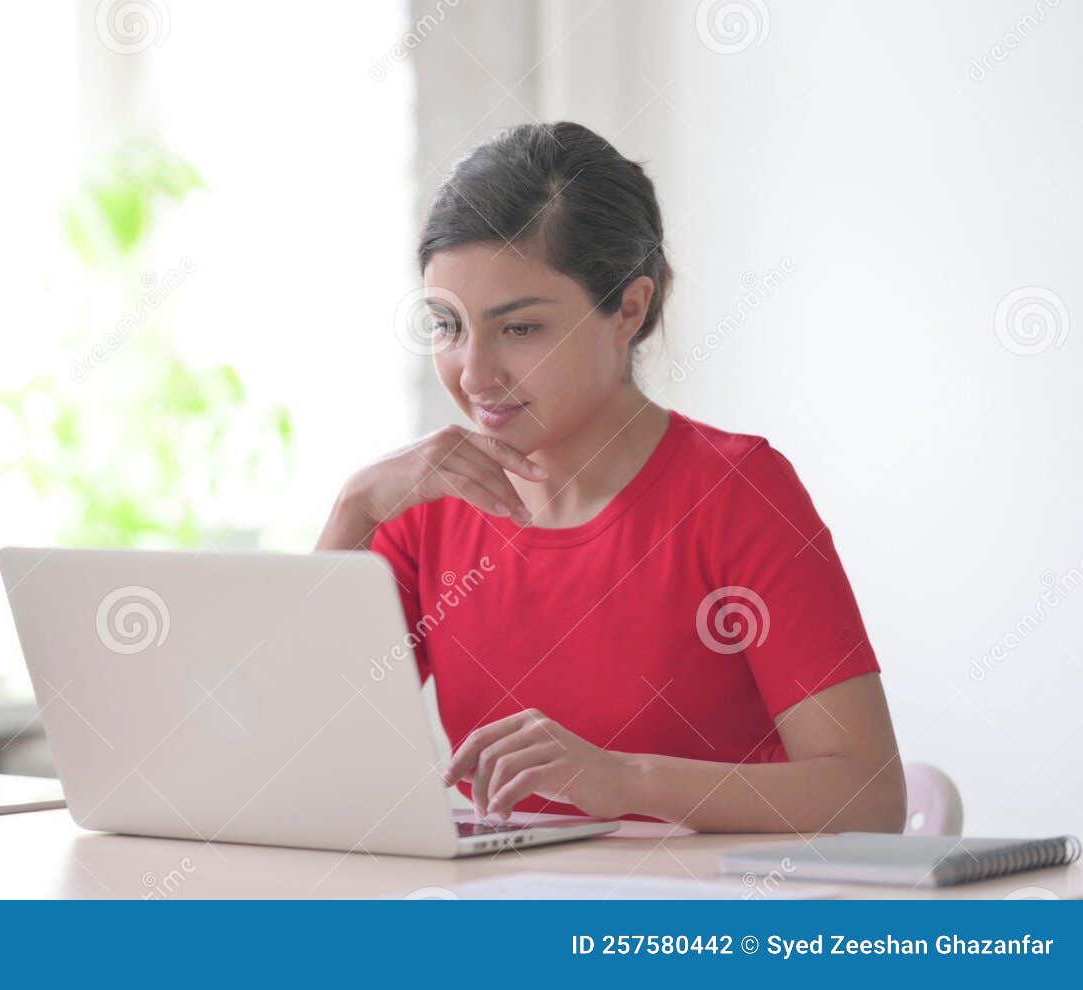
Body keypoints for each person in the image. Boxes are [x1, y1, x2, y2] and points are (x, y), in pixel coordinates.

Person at [316, 121, 905, 833]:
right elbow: (295, 760)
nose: (474, 375)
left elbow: (869, 799)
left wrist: (627, 779)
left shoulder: (737, 493)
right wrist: (353, 509)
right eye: (447, 326)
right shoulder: (423, 507)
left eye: (521, 328)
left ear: (629, 309)